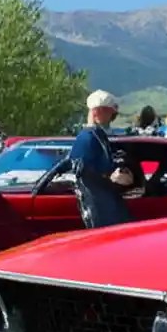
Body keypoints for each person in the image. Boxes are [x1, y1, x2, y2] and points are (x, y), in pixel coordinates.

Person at [69, 90, 133, 228]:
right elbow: (82, 171)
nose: (111, 118)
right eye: (109, 113)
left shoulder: (98, 136)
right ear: (97, 111)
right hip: (97, 205)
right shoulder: (87, 139)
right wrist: (110, 176)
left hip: (105, 202)